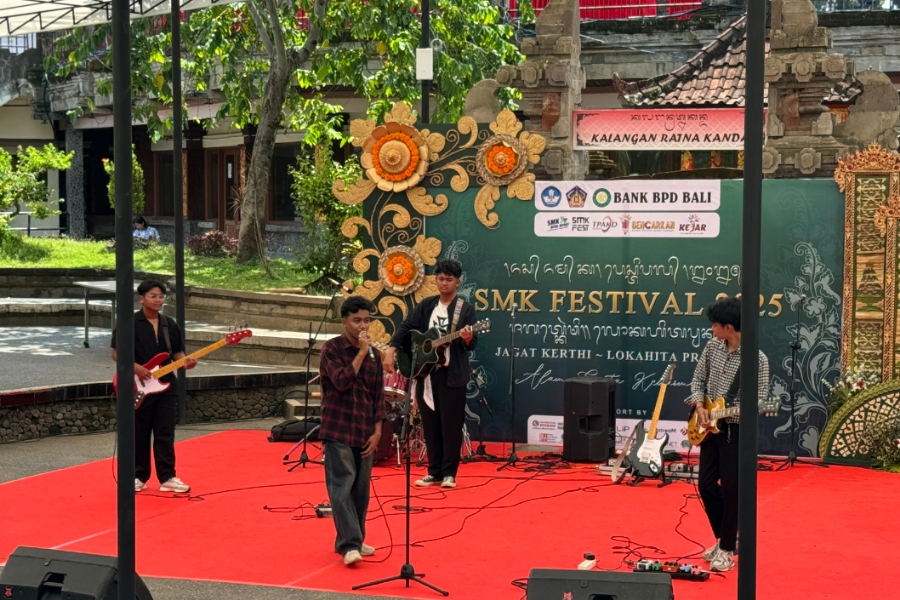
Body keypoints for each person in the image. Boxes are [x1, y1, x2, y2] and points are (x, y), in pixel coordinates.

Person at [686, 297, 769, 572]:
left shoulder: (757, 359)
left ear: (729, 327)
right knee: (707, 486)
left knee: (733, 490)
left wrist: (724, 414)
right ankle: (726, 538)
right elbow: (697, 380)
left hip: (734, 430)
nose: (712, 329)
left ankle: (726, 549)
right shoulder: (712, 347)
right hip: (708, 430)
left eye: (715, 325)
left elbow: (758, 403)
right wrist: (700, 406)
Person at [385, 259, 477, 489]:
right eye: (440, 279)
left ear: (458, 281)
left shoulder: (464, 309)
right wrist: (392, 349)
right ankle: (433, 471)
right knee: (431, 424)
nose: (443, 283)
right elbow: (407, 327)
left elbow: (471, 344)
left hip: (451, 375)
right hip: (425, 374)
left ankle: (449, 473)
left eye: (448, 279)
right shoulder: (427, 305)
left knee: (451, 425)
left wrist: (467, 338)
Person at [318, 296, 386, 566]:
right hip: (337, 427)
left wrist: (378, 430)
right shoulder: (331, 349)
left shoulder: (374, 356)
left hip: (364, 429)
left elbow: (377, 395)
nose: (362, 325)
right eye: (357, 320)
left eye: (366, 320)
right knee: (341, 487)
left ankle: (354, 539)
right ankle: (349, 545)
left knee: (361, 489)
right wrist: (360, 352)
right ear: (344, 320)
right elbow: (342, 382)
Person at [111, 281, 196, 494]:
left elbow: (176, 352)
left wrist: (186, 361)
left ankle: (167, 477)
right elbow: (116, 352)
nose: (158, 300)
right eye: (153, 296)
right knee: (140, 432)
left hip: (167, 386)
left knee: (165, 432)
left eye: (161, 296)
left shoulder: (169, 324)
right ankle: (138, 476)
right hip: (138, 385)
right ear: (141, 298)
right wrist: (136, 368)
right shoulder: (129, 322)